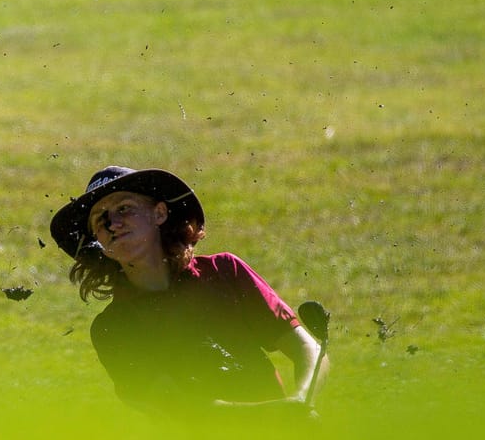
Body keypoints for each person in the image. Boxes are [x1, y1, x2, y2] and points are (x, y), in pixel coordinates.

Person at [49, 165, 326, 415]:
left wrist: (303, 398)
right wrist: (272, 417)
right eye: (100, 219)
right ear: (97, 240)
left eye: (124, 208)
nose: (113, 223)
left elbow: (306, 348)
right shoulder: (113, 329)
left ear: (159, 213)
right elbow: (181, 409)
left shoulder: (225, 272)